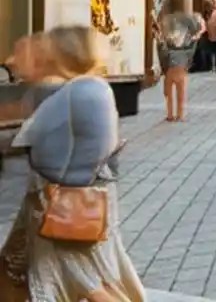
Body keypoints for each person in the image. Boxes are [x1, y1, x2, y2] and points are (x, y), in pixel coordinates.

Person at [0, 26, 145, 301]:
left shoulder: (60, 91)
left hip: (57, 200)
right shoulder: (95, 88)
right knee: (17, 265)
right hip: (84, 196)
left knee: (83, 278)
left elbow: (29, 137)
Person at [154, 0, 203, 122]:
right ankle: (181, 114)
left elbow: (161, 37)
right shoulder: (188, 18)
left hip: (169, 55)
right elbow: (197, 30)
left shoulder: (165, 19)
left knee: (169, 88)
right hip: (184, 55)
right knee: (181, 87)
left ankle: (170, 114)